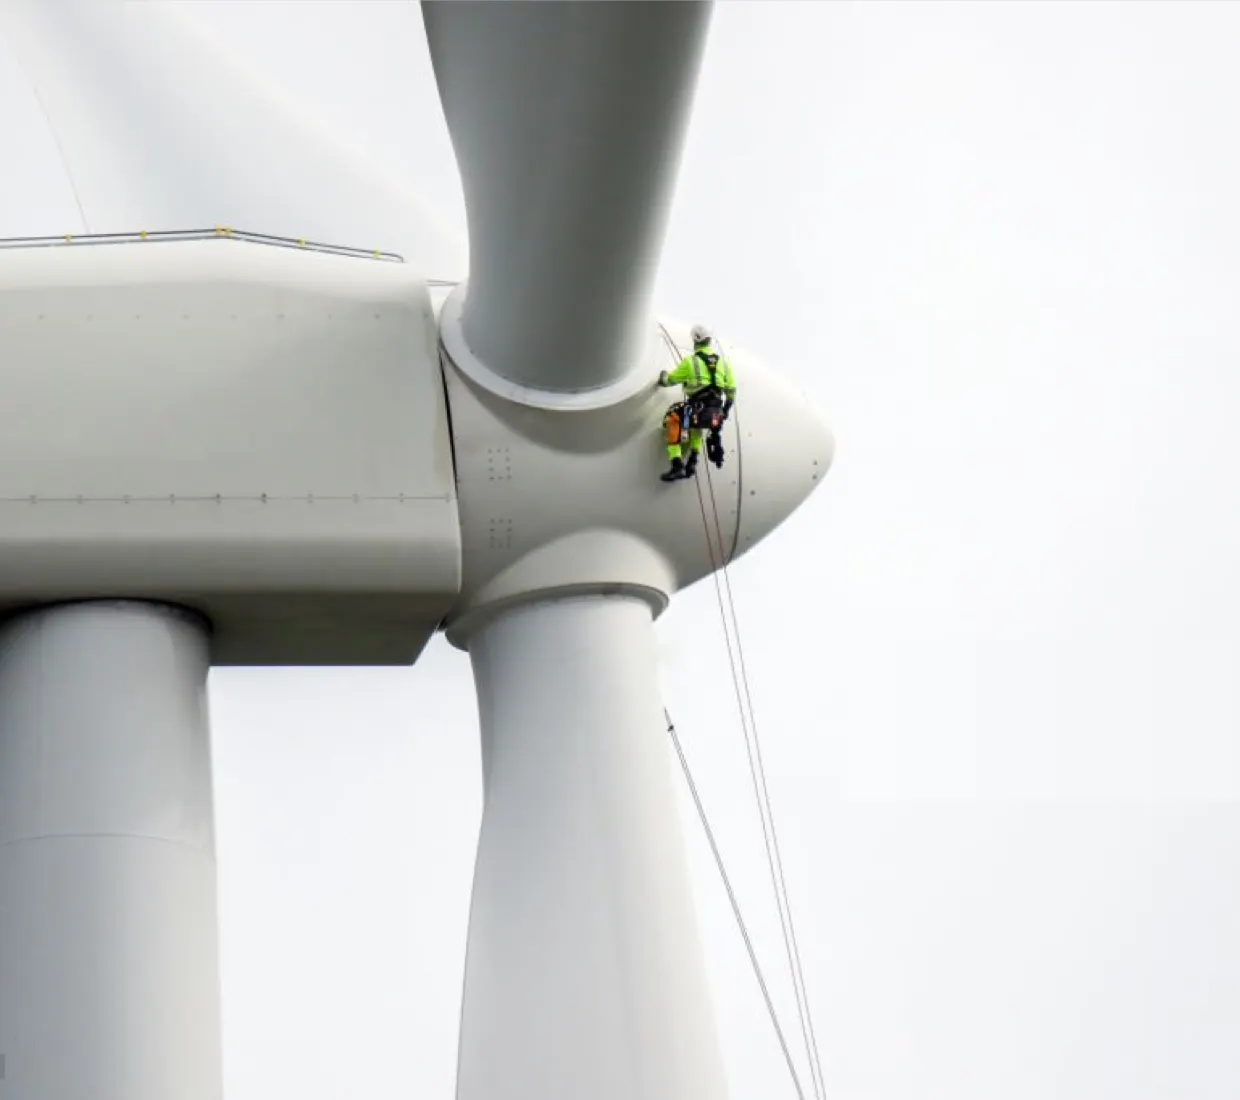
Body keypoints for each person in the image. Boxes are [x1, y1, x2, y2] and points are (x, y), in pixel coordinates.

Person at [657, 323, 737, 481]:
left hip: (697, 407)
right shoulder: (724, 362)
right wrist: (726, 409)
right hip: (715, 411)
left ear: (695, 341)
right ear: (709, 341)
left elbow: (670, 380)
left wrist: (663, 377)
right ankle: (692, 462)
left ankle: (677, 465)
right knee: (697, 427)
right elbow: (731, 390)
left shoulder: (691, 362)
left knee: (673, 418)